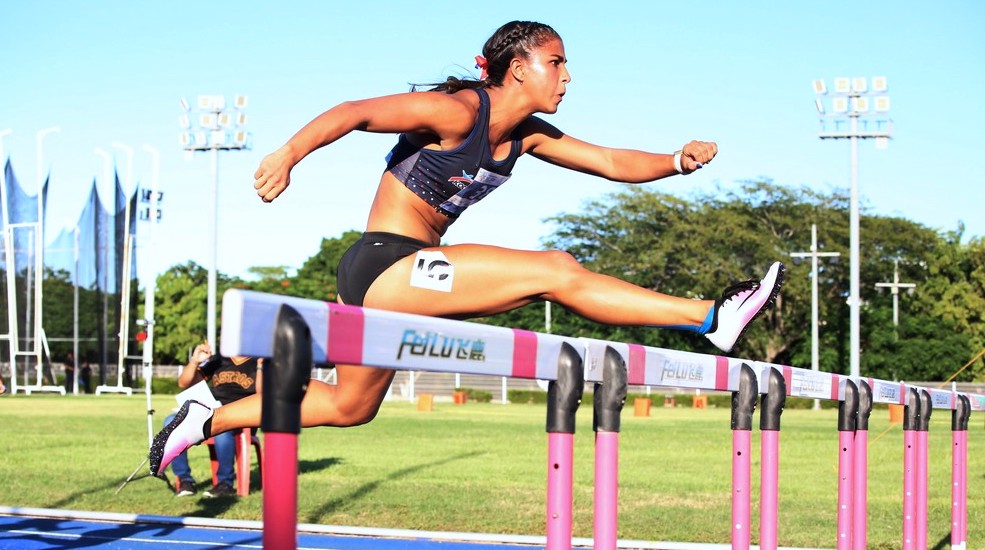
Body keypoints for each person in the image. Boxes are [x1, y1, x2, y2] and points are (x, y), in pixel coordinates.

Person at [150, 20, 784, 476]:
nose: (567, 75)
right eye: (557, 62)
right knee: (553, 270)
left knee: (348, 407)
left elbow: (609, 160)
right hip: (384, 263)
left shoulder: (527, 136)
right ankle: (709, 316)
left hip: (409, 277)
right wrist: (288, 155)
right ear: (519, 68)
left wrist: (676, 160)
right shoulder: (458, 112)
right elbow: (354, 111)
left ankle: (205, 416)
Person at [163, 341, 262, 497]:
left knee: (222, 429)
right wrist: (195, 361)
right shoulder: (220, 360)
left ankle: (225, 483)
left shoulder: (259, 360)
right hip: (212, 411)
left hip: (242, 416)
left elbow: (262, 394)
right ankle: (185, 480)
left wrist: (262, 366)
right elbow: (184, 383)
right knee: (171, 421)